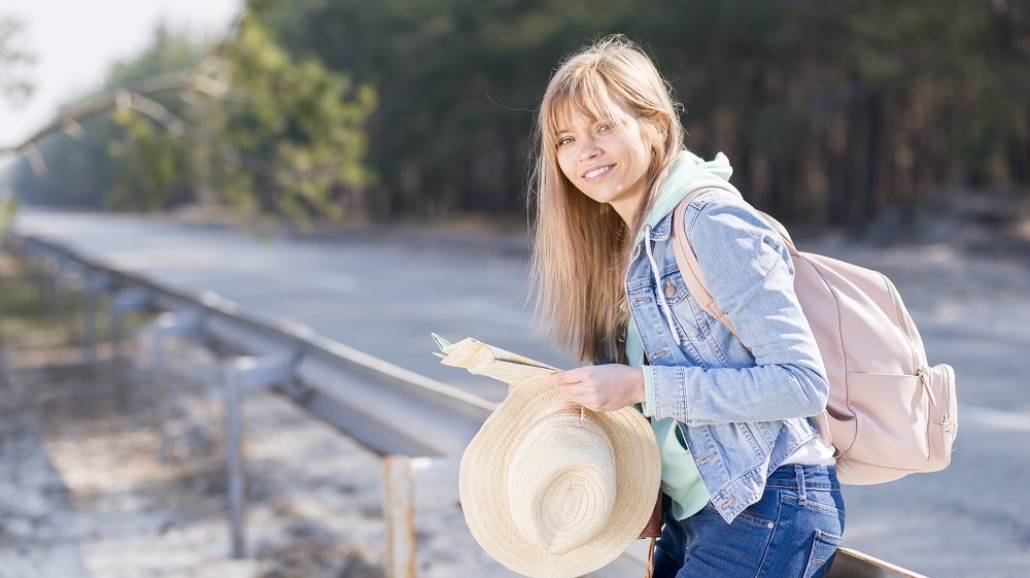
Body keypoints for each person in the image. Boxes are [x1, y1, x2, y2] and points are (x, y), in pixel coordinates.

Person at [529, 35, 846, 577]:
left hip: (763, 503)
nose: (585, 150)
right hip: (698, 510)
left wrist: (640, 387)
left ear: (655, 124)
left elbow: (800, 383)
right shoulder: (632, 245)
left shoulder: (709, 223)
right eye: (565, 139)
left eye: (604, 126)